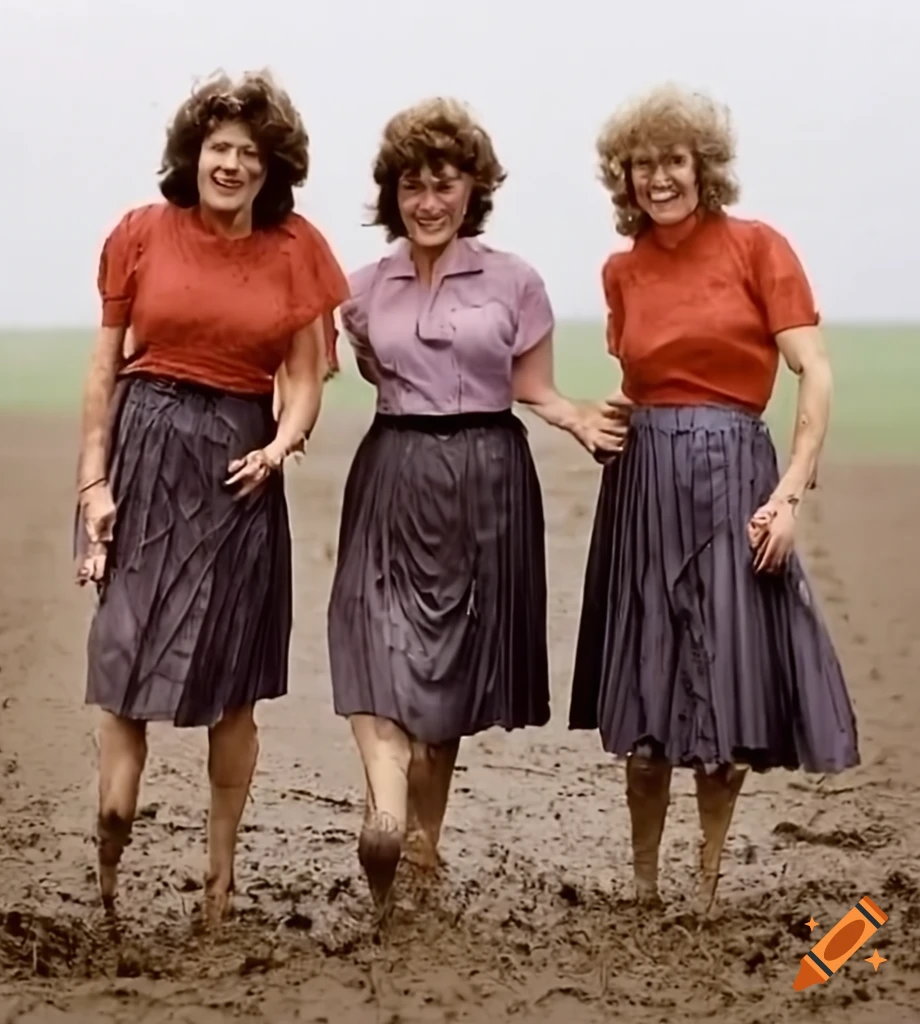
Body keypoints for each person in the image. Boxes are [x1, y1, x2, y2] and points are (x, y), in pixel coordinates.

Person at [327, 97, 631, 916]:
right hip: (392, 466)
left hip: (489, 472)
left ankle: (421, 840)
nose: (428, 201)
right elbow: (359, 370)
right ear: (392, 195)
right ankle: (387, 804)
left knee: (453, 655)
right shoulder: (357, 291)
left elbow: (529, 383)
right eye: (412, 185)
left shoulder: (515, 280)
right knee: (374, 630)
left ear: (472, 190)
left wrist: (575, 420)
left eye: (445, 183)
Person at [568, 85, 859, 915]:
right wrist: (604, 419)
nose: (659, 178)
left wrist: (790, 493)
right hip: (645, 488)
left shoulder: (758, 247)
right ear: (624, 177)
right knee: (647, 689)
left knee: (724, 689)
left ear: (703, 167)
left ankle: (706, 880)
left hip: (736, 478)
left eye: (674, 160)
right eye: (643, 164)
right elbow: (640, 381)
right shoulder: (620, 270)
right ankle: (645, 883)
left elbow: (817, 370)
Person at [74, 70, 349, 925]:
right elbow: (104, 365)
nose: (230, 163)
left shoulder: (296, 246)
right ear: (192, 155)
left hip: (239, 465)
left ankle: (219, 881)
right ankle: (111, 840)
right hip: (143, 451)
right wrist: (93, 480)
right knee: (124, 658)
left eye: (249, 153)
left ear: (272, 170)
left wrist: (280, 443)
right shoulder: (140, 233)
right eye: (218, 147)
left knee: (233, 681)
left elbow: (304, 377)